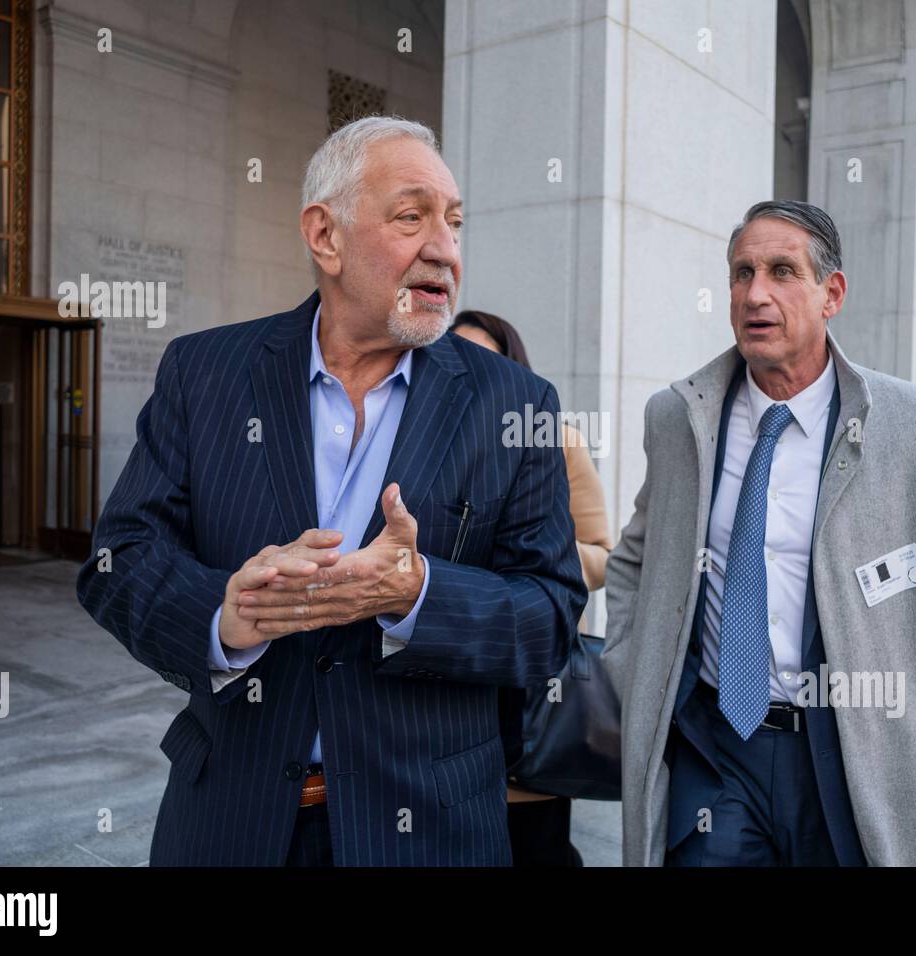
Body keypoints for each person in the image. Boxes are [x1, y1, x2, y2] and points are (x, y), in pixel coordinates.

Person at [76, 116, 586, 867]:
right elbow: (119, 560)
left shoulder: (516, 403)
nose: (444, 247)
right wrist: (228, 613)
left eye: (454, 222)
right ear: (326, 236)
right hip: (231, 824)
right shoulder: (205, 373)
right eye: (412, 217)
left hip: (430, 835)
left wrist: (414, 592)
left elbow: (550, 617)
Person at [603, 199, 916, 866]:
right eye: (741, 274)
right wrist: (633, 674)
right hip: (715, 750)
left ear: (832, 293)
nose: (755, 294)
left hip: (858, 756)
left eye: (782, 271)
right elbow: (635, 559)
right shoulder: (679, 418)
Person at [450, 310, 614, 867]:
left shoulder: (554, 440)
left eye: (484, 357)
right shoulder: (426, 447)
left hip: (529, 686)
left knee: (534, 844)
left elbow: (601, 553)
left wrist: (524, 559)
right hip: (448, 677)